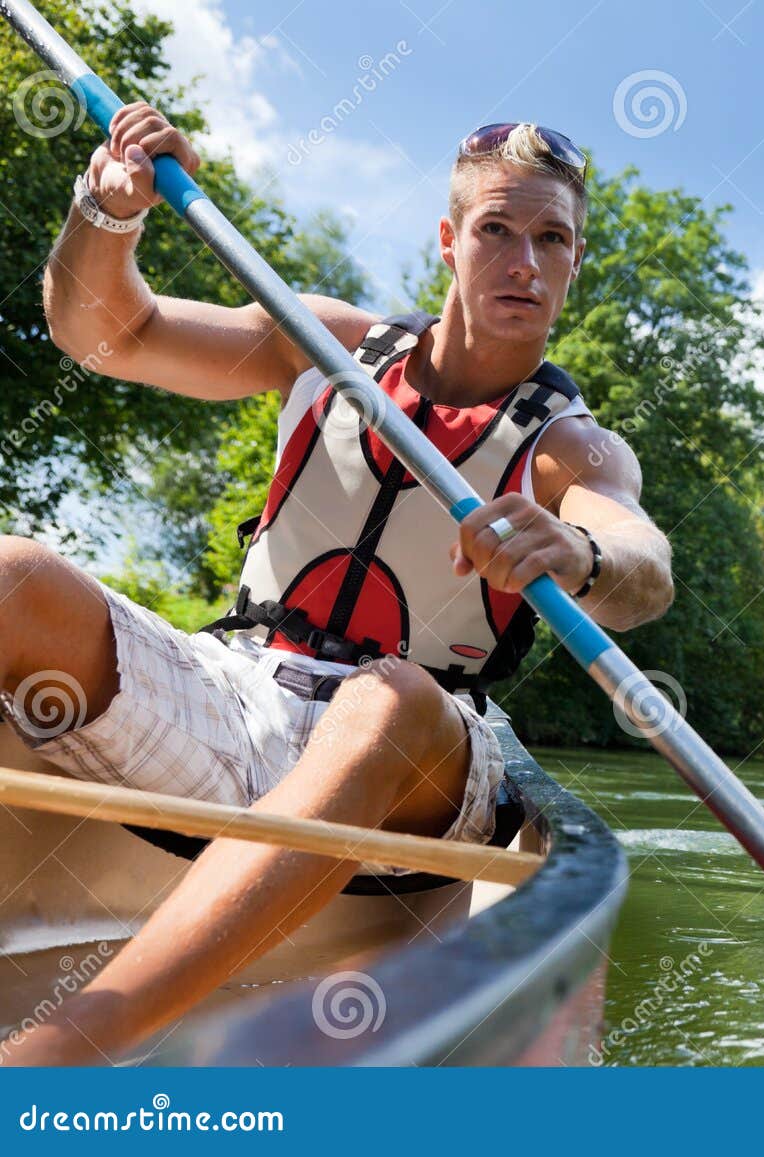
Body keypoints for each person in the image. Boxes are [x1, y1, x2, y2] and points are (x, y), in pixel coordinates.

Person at [1, 107, 674, 1065]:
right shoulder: (327, 344)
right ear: (450, 241)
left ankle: (56, 1055)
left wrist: (580, 554)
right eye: (496, 229)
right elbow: (106, 332)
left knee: (390, 696)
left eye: (551, 239)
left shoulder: (573, 447)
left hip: (414, 769)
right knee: (15, 577)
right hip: (237, 696)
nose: (523, 259)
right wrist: (106, 215)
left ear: (573, 261)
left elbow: (642, 567)